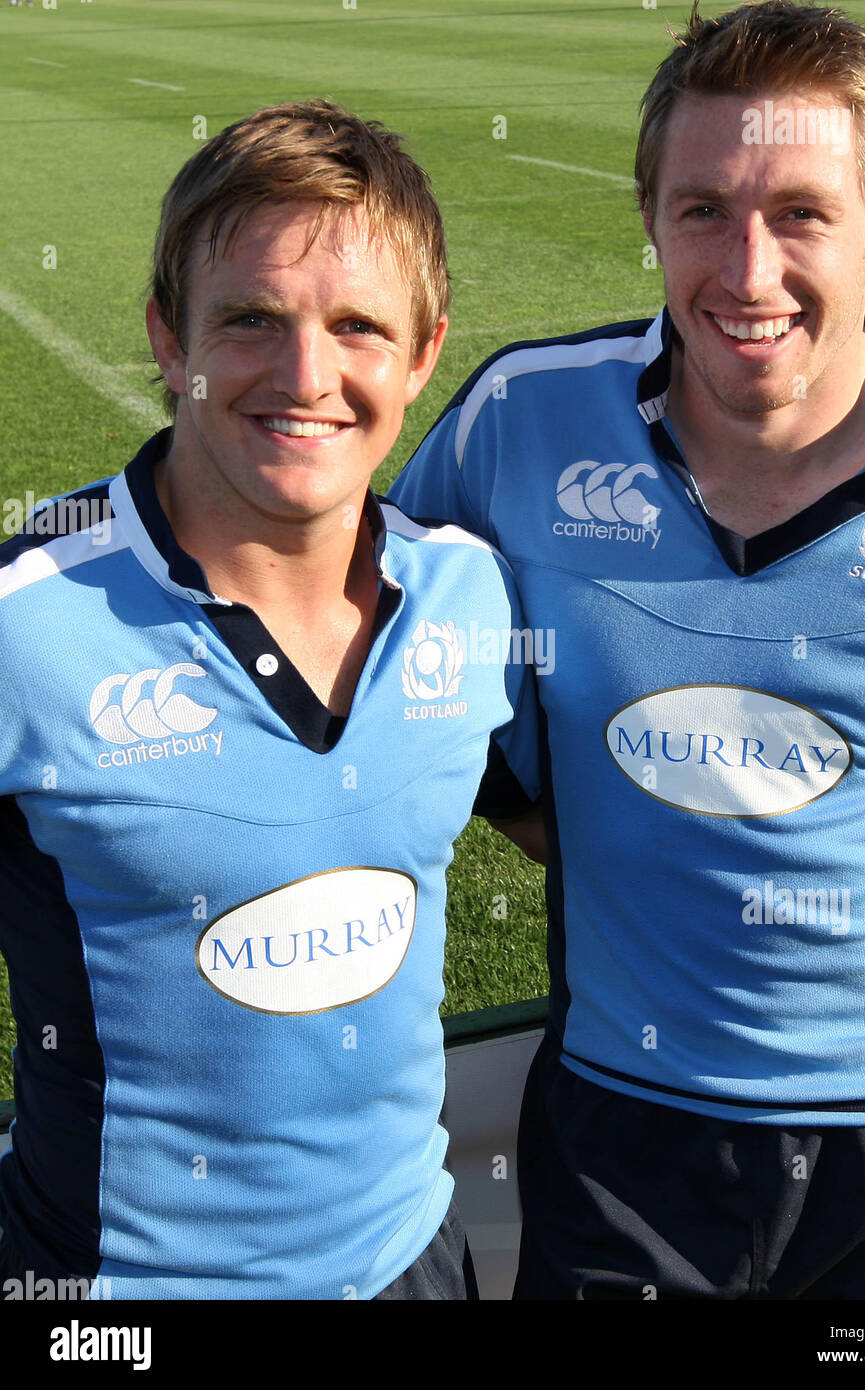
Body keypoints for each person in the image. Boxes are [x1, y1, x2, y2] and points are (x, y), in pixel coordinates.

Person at [391, 0, 865, 1299]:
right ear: (650, 216)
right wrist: (549, 813)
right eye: (703, 210)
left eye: (799, 212)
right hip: (622, 1138)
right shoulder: (522, 420)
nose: (747, 270)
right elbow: (367, 629)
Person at [0, 99, 538, 1300]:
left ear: (424, 349)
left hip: (418, 1261)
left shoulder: (470, 593)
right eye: (249, 320)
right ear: (168, 337)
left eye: (357, 324)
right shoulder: (26, 620)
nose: (307, 376)